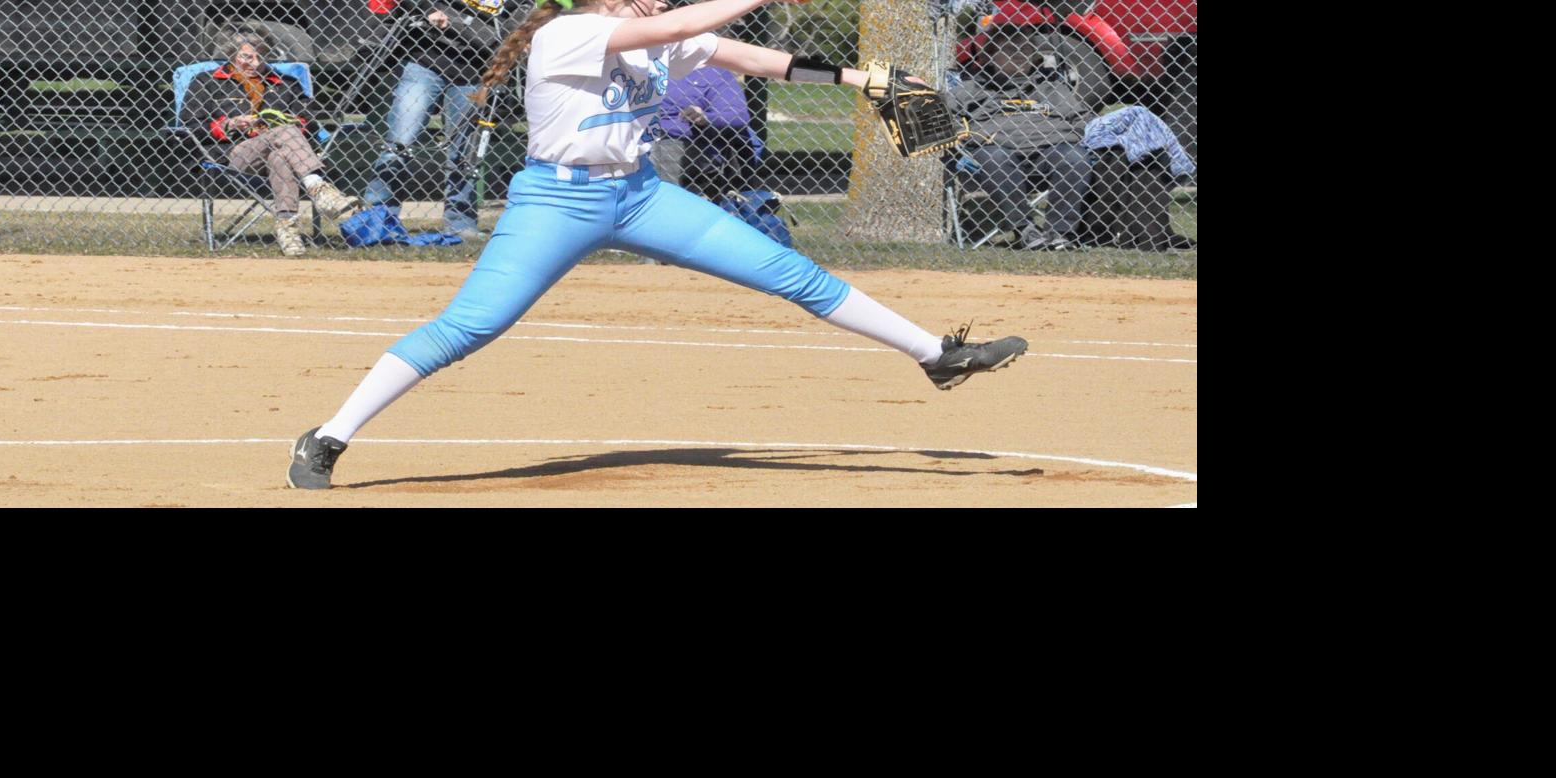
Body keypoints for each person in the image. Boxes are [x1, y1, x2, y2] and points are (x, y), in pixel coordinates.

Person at [287, 0, 1028, 490]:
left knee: (789, 271)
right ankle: (327, 435)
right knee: (470, 326)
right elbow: (675, 32)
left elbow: (757, 61)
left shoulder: (661, 37)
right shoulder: (567, 32)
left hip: (638, 195)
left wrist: (858, 76)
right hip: (556, 200)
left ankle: (937, 354)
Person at [179, 32, 364, 256]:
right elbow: (189, 125)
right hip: (234, 153)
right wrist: (229, 124)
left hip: (283, 152)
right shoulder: (206, 82)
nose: (254, 63)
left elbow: (309, 121)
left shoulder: (286, 84)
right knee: (286, 132)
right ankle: (317, 187)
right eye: (246, 57)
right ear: (231, 55)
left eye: (261, 57)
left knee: (280, 153)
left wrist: (288, 123)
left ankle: (287, 229)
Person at [361, 0, 523, 238]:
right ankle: (378, 220)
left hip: (476, 70)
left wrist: (512, 41)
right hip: (426, 62)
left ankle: (460, 223)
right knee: (399, 143)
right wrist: (428, 10)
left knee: (463, 152)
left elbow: (519, 21)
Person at [947, 23, 1094, 251]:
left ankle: (1059, 232)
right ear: (991, 56)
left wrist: (1079, 134)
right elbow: (942, 113)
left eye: (1025, 49)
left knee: (1075, 157)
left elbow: (1081, 118)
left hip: (1050, 152)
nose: (1018, 54)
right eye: (1009, 49)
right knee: (993, 157)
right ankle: (1025, 229)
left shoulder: (1050, 87)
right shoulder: (973, 88)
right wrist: (961, 134)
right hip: (996, 156)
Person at [648, 65, 756, 196]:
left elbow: (737, 116)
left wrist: (705, 117)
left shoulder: (712, 72)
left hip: (682, 144)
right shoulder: (641, 65)